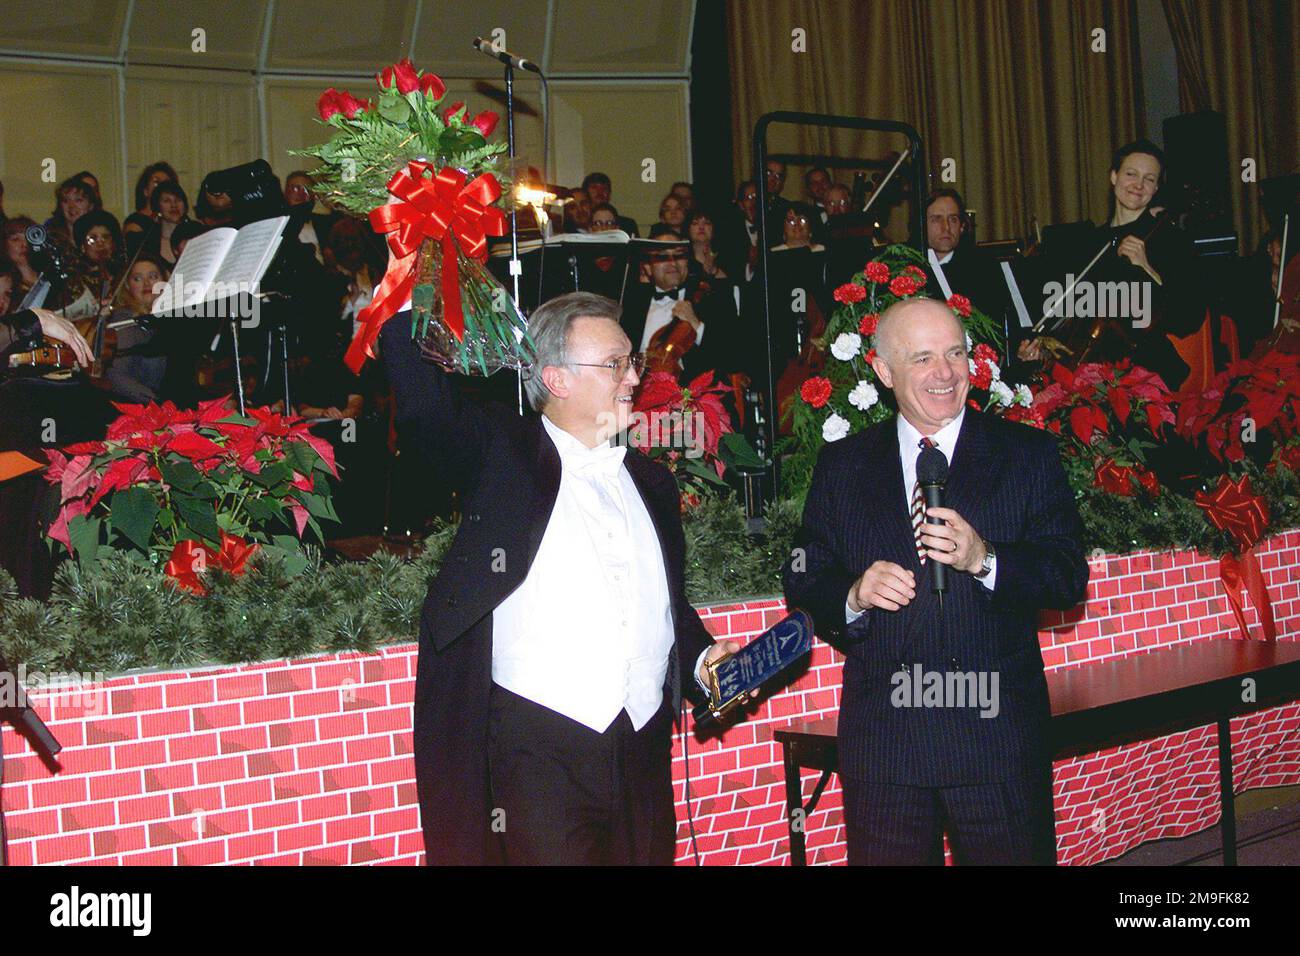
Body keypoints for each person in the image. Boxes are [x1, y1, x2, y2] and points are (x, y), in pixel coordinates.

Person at [380, 291, 740, 865]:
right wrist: (411, 301)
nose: (632, 378)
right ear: (556, 379)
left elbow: (663, 602)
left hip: (645, 742)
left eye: (632, 362)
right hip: (539, 748)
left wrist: (703, 662)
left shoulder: (650, 481)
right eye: (615, 364)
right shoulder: (504, 455)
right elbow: (427, 412)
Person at [783, 297, 1087, 865]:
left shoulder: (1028, 455)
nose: (945, 373)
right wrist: (852, 593)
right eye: (922, 358)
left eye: (955, 353)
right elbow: (803, 573)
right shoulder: (843, 464)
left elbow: (1067, 576)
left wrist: (985, 559)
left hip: (997, 741)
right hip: (886, 748)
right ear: (882, 371)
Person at [1019, 140, 1204, 389]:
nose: (1139, 185)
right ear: (1114, 177)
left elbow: (1188, 316)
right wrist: (1042, 349)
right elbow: (1074, 317)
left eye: (1149, 179)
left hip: (1144, 371)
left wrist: (1147, 268)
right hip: (1088, 368)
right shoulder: (1090, 243)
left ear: (1156, 188)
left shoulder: (1171, 241)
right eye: (1131, 174)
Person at [620, 240, 741, 382]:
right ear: (648, 267)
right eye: (663, 257)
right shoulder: (631, 302)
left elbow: (734, 359)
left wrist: (696, 324)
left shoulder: (713, 298)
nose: (672, 263)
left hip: (691, 395)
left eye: (679, 256)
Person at [923, 189, 1009, 321]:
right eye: (936, 219)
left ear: (962, 226)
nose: (945, 227)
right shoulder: (905, 267)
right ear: (922, 225)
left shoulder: (984, 269)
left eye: (953, 220)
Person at [124, 161, 178, 250]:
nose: (162, 187)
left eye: (167, 183)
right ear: (145, 190)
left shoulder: (175, 219)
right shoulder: (135, 222)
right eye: (157, 182)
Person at [142, 181, 192, 267]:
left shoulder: (195, 235)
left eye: (178, 200)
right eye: (166, 201)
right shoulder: (148, 240)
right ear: (157, 207)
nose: (174, 205)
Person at [44, 177, 100, 244]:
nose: (71, 206)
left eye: (78, 200)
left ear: (91, 205)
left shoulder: (101, 237)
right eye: (66, 201)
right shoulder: (50, 237)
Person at [582, 172, 638, 236]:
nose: (600, 192)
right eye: (594, 187)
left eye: (604, 188)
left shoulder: (628, 225)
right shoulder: (579, 223)